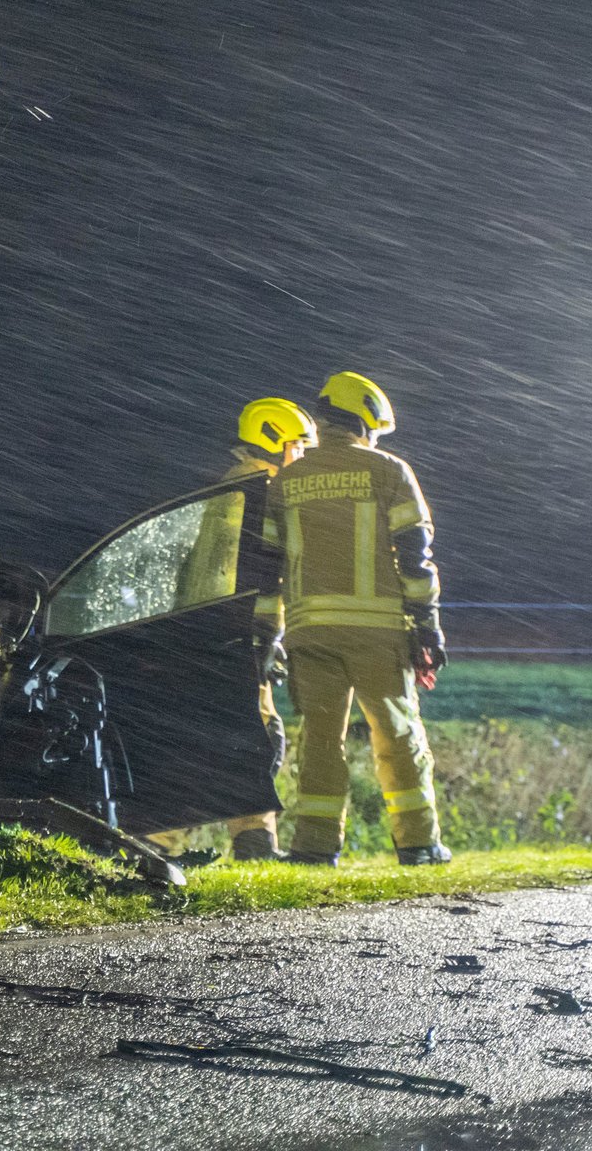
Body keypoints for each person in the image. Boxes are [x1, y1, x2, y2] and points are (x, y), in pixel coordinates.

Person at [261, 371, 449, 866]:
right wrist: (427, 623)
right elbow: (414, 554)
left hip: (309, 632)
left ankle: (313, 848)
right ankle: (418, 844)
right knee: (398, 736)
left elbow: (266, 564)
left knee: (321, 740)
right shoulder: (389, 471)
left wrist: (266, 635)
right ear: (365, 422)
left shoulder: (286, 481)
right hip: (377, 629)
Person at [216, 397, 317, 862]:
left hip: (236, 624)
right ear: (273, 438)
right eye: (298, 445)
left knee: (250, 725)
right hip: (247, 626)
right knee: (259, 731)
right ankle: (254, 842)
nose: (302, 456)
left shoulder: (236, 485)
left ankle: (254, 839)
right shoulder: (262, 489)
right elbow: (263, 567)